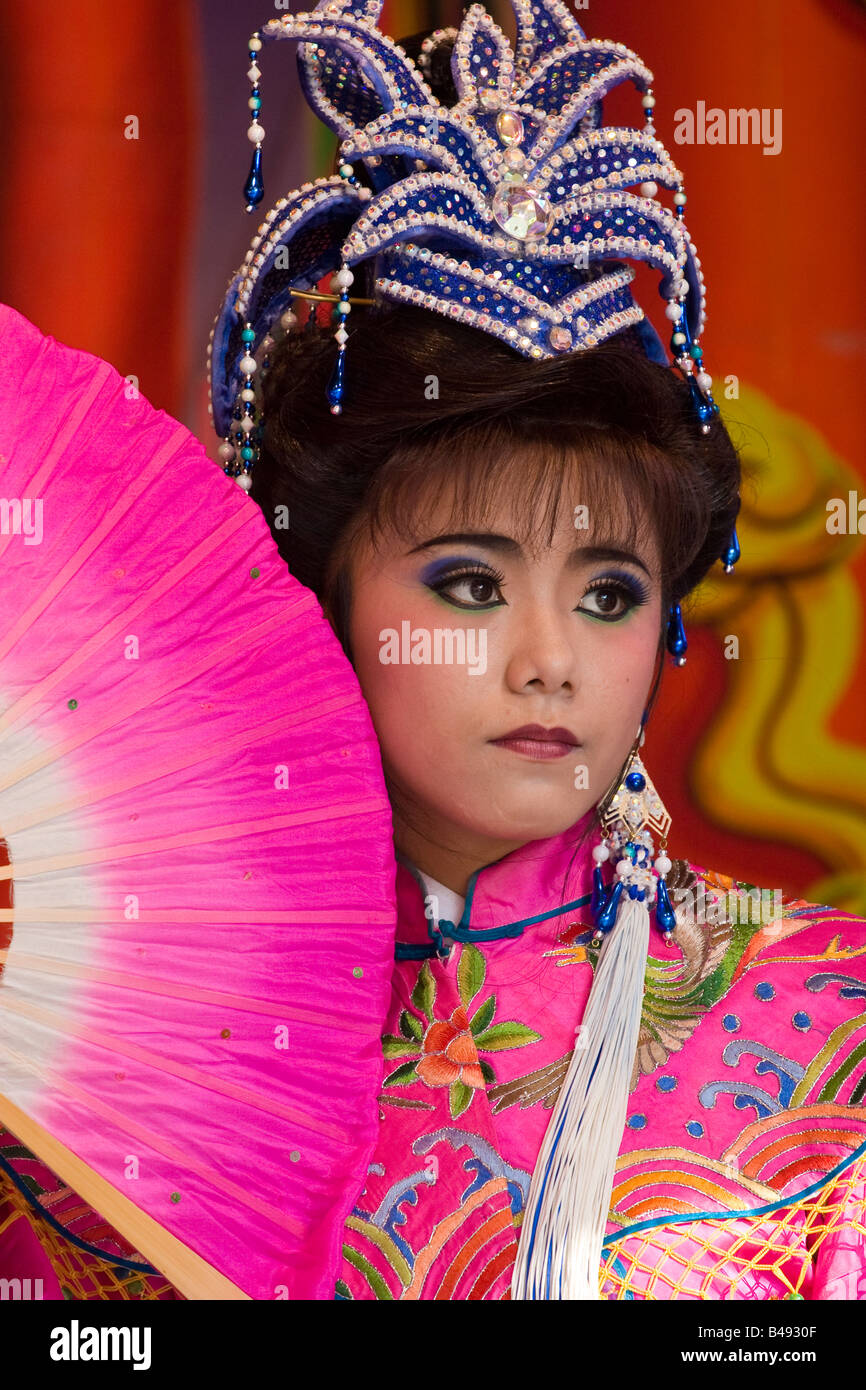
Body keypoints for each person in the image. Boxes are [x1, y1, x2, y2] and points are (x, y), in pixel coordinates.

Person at [3, 3, 865, 1301]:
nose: (548, 659)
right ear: (326, 594)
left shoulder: (827, 1036)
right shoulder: (115, 1067)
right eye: (468, 582)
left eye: (608, 591)